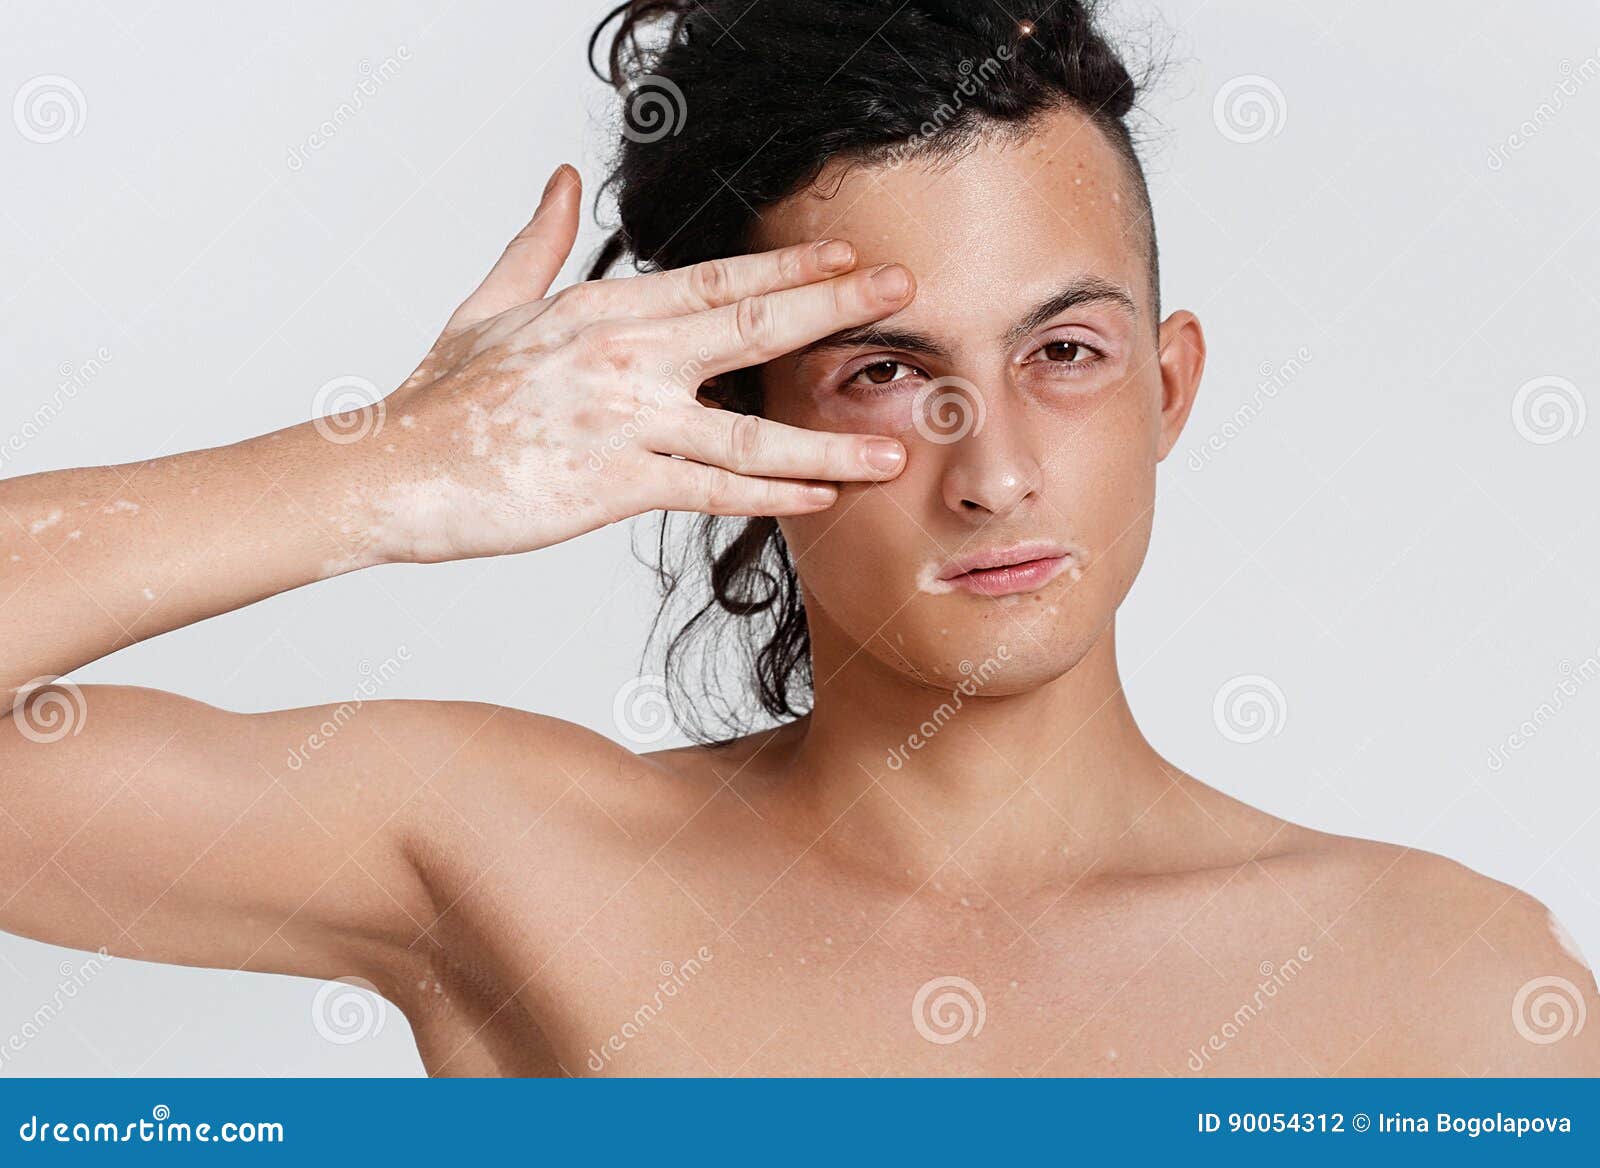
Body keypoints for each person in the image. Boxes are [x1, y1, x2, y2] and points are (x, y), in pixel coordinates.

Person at [1, 0, 1595, 1076]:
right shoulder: (516, 865)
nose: (997, 475)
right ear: (726, 420)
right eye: (890, 374)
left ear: (1167, 388)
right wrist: (396, 467)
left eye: (1064, 354)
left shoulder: (1451, 986)